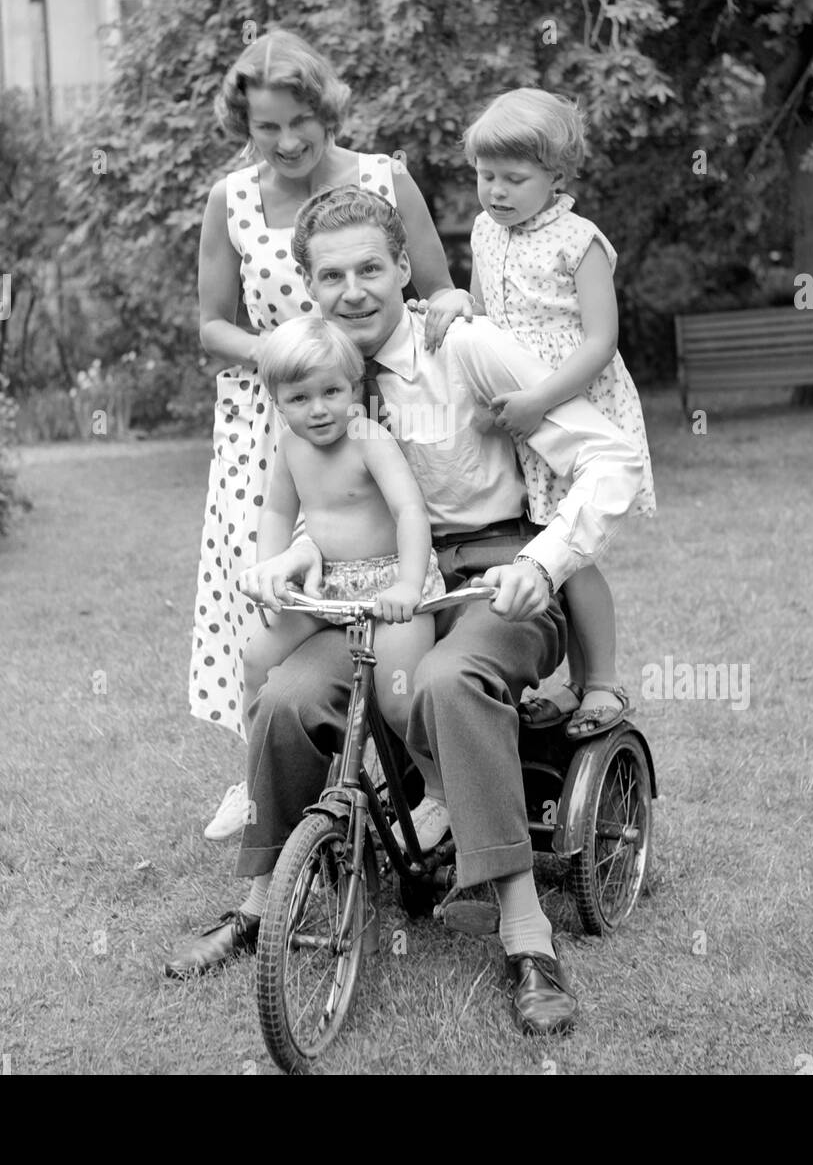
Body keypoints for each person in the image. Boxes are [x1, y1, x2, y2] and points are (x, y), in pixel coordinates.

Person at [166, 186, 646, 1038]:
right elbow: (329, 508)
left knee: (447, 680)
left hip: (495, 573)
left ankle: (526, 933)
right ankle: (259, 903)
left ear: (403, 270)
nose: (353, 291)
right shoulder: (317, 384)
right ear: (307, 284)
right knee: (284, 698)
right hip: (376, 587)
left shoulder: (464, 346)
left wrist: (547, 559)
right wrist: (301, 555)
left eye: (370, 270)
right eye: (331, 275)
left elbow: (607, 458)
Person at [191, 29, 472, 841]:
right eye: (264, 127)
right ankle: (264, 773)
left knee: (386, 552)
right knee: (268, 594)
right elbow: (212, 326)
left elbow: (439, 287)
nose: (284, 142)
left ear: (326, 108)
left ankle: (422, 761)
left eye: (298, 122)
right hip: (277, 416)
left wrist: (377, 349)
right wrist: (293, 363)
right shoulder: (232, 201)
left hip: (383, 396)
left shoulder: (385, 178)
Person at [463, 88, 655, 740]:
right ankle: (569, 686)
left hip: (576, 411)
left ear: (556, 177)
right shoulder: (484, 232)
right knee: (544, 540)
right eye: (486, 176)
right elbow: (485, 314)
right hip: (521, 412)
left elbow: (601, 342)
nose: (497, 192)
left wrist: (541, 401)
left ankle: (598, 681)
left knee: (575, 551)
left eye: (515, 179)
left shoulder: (581, 243)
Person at [245, 315, 451, 850]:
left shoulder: (368, 438)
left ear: (354, 387)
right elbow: (275, 512)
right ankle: (261, 774)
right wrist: (271, 570)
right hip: (329, 585)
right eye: (300, 398)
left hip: (389, 583)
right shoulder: (290, 448)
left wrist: (408, 584)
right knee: (257, 657)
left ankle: (438, 790)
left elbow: (409, 510)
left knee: (400, 695)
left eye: (332, 391)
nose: (319, 409)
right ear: (277, 400)